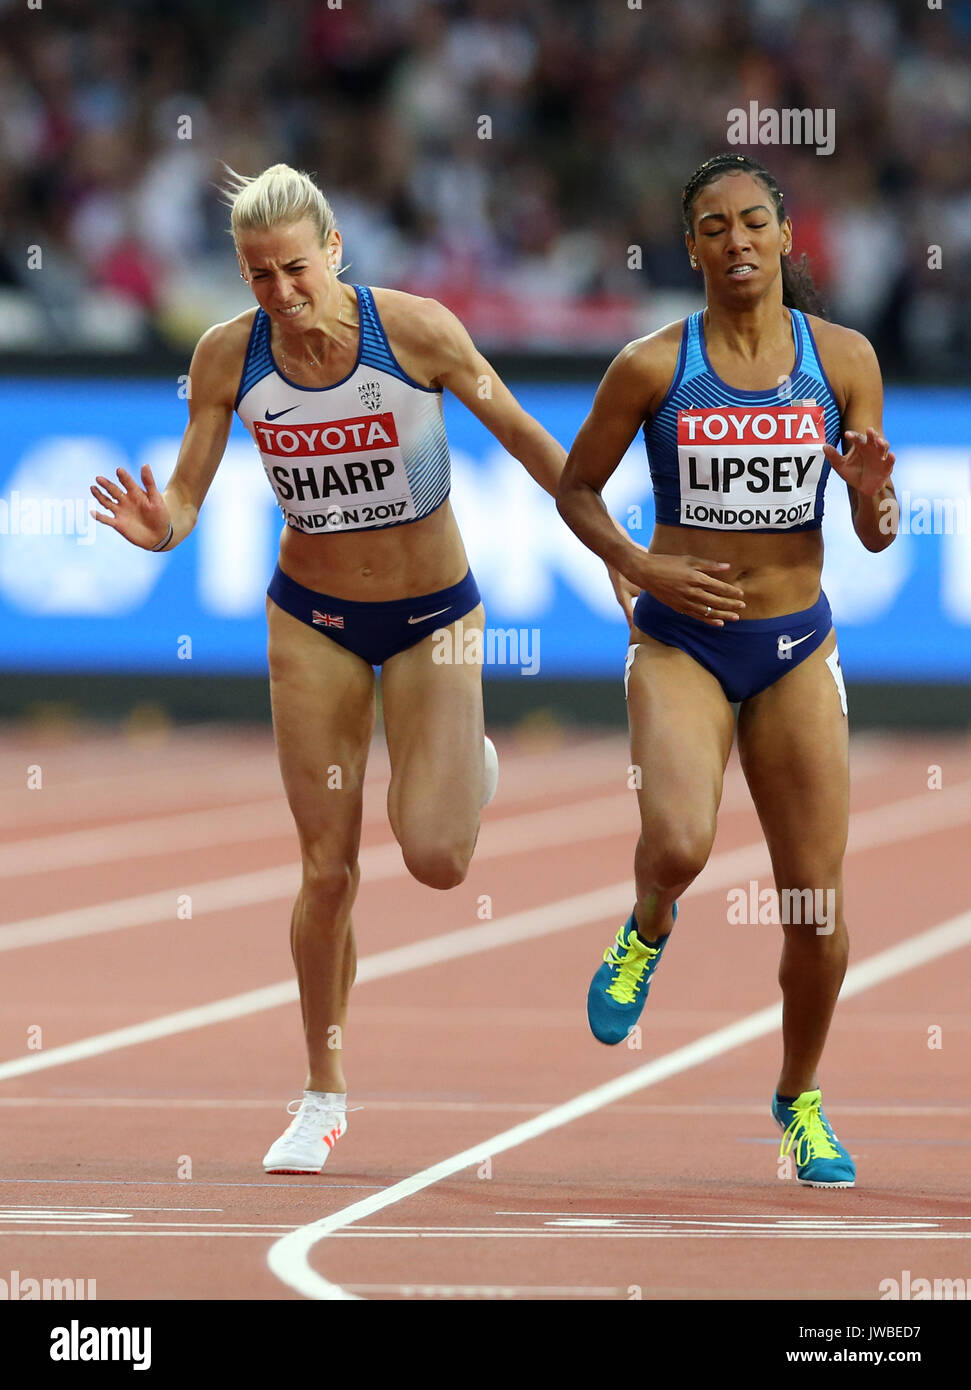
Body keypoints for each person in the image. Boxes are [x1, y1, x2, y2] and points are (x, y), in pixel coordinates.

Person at [90, 162, 633, 1175]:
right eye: (258, 277)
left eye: (295, 269)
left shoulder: (413, 331)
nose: (281, 294)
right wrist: (156, 527)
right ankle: (321, 1093)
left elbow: (524, 438)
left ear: (334, 250)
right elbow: (184, 501)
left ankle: (460, 763)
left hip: (434, 616)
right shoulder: (226, 358)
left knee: (435, 857)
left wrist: (616, 554)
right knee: (326, 869)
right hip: (313, 621)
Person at [556, 152, 897, 1188]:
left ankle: (797, 1098)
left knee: (816, 910)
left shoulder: (839, 359)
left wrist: (874, 496)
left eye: (754, 222)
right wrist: (639, 562)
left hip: (793, 648)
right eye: (714, 227)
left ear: (786, 239)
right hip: (679, 640)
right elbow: (574, 491)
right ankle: (646, 924)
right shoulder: (652, 366)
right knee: (675, 839)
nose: (737, 240)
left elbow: (874, 536)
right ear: (691, 246)